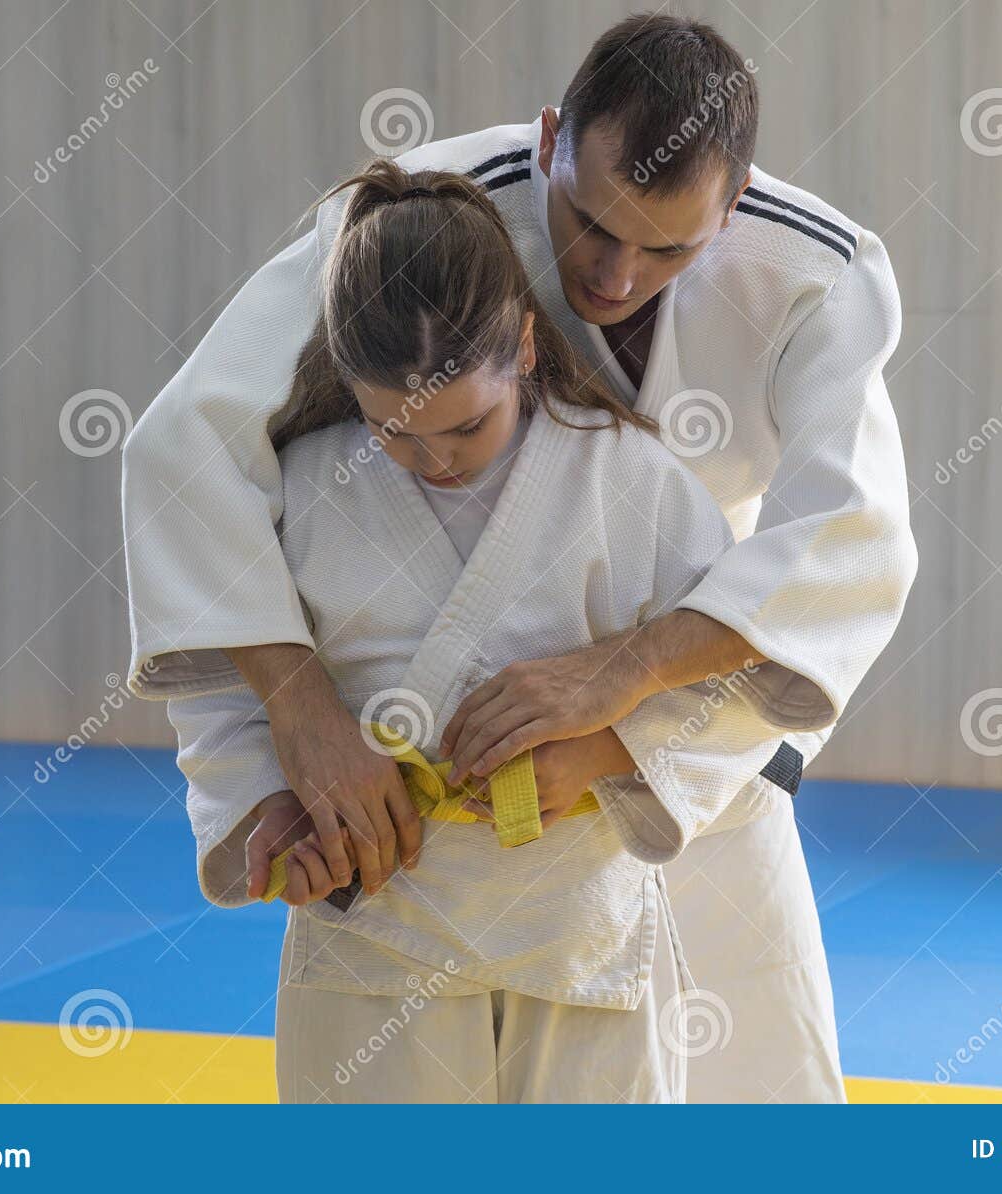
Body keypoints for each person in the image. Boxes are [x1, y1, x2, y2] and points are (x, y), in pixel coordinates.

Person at [121, 13, 917, 1102]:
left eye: (668, 248)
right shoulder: (412, 220)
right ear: (550, 138)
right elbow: (187, 446)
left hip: (681, 688)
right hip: (408, 763)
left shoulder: (816, 269)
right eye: (587, 222)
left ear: (733, 206)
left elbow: (848, 539)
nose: (612, 272)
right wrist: (298, 723)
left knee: (761, 1073)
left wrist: (624, 679)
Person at [172, 158, 798, 1102]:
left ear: (528, 352)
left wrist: (605, 755)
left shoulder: (628, 480)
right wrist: (274, 803)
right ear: (346, 379)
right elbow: (237, 675)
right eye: (396, 432)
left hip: (577, 931)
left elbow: (739, 680)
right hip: (375, 928)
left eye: (465, 428)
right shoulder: (306, 486)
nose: (432, 459)